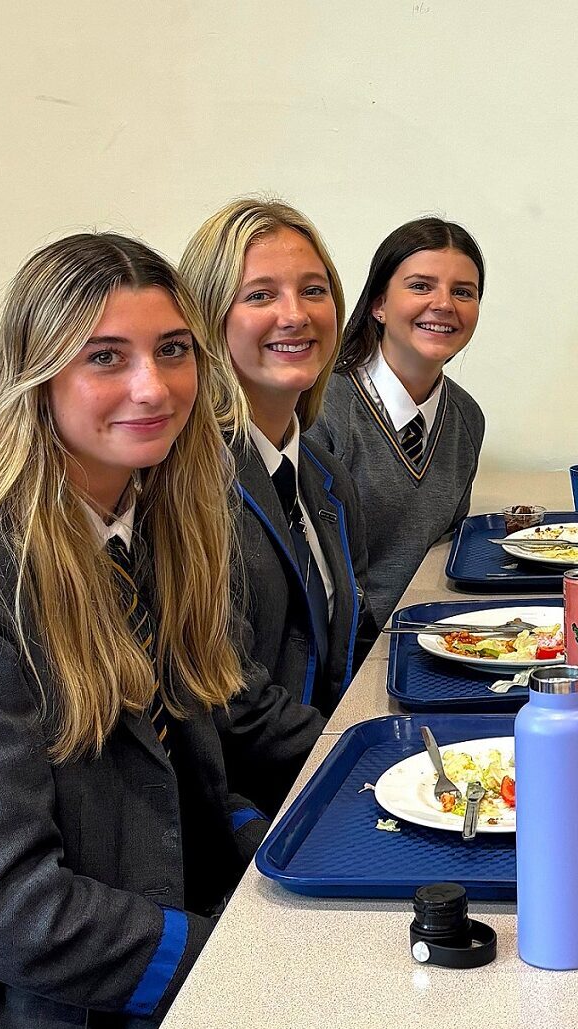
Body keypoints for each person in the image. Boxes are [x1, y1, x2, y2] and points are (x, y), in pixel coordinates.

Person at [0, 234, 266, 1029]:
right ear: (36, 378)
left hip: (143, 961)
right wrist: (232, 963)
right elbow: (7, 906)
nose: (152, 386)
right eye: (105, 357)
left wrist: (284, 868)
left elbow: (191, 788)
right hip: (31, 1028)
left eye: (172, 350)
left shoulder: (154, 528)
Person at [181, 198, 376, 814]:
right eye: (260, 295)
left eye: (313, 290)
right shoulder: (189, 484)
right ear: (209, 320)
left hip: (323, 777)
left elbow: (355, 634)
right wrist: (365, 756)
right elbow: (229, 701)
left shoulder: (323, 474)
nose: (295, 315)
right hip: (246, 812)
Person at [311, 218, 485, 625]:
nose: (444, 304)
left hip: (432, 631)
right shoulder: (322, 408)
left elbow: (445, 550)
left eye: (463, 292)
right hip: (352, 648)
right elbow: (314, 577)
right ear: (379, 305)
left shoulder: (467, 418)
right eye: (421, 286)